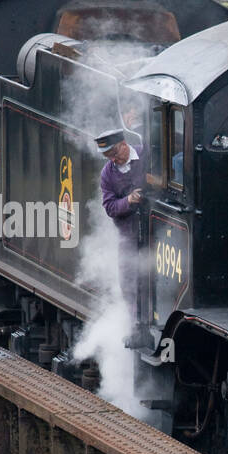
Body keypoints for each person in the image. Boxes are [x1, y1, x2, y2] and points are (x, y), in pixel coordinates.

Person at [96, 128, 146, 330]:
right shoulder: (107, 174)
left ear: (124, 145)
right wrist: (128, 201)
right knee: (128, 278)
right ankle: (133, 322)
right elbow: (110, 207)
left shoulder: (146, 154)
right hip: (129, 233)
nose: (113, 160)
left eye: (115, 154)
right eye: (108, 157)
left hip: (156, 230)